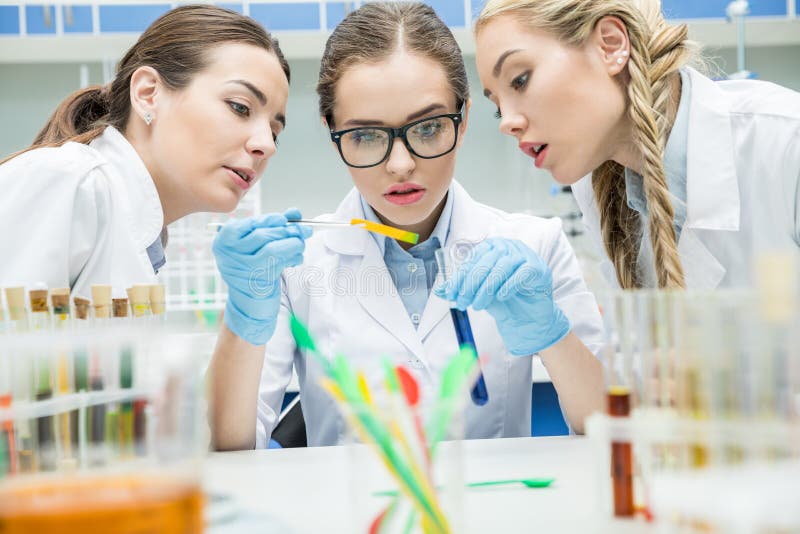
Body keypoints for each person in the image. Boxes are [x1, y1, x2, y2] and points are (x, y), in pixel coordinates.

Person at [208, 1, 606, 451]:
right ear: (332, 133)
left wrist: (553, 336)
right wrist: (240, 322)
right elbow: (229, 447)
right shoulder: (293, 266)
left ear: (463, 119)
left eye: (428, 128)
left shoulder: (536, 245)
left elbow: (610, 428)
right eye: (364, 136)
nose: (400, 164)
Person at [474, 0, 800, 290]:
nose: (507, 123)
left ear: (610, 45)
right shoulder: (597, 188)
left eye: (520, 80)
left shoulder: (786, 142)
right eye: (498, 107)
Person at [0, 5, 300, 298]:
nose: (267, 145)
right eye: (240, 107)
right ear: (147, 93)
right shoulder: (70, 183)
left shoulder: (138, 231)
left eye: (275, 132)